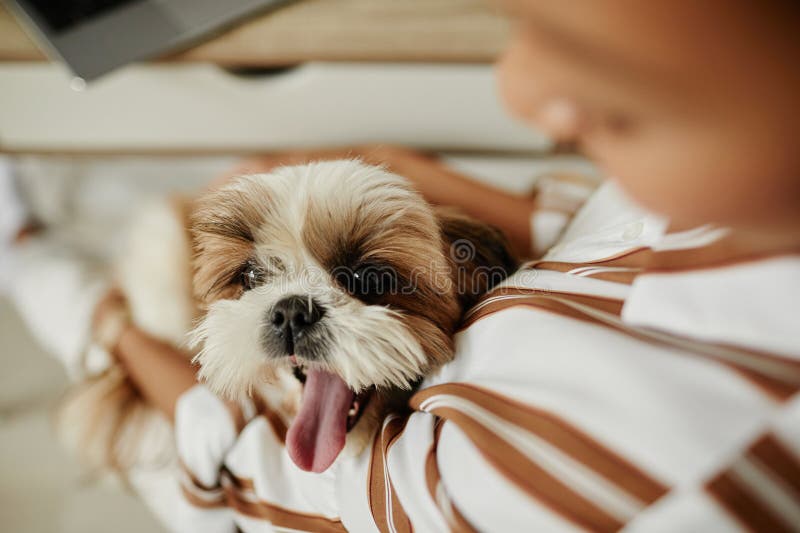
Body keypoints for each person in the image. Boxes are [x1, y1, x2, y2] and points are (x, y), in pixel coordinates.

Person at [3, 0, 799, 531]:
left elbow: (236, 457)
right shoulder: (729, 198)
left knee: (117, 373)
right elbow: (592, 219)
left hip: (255, 480)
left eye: (371, 283)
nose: (517, 88)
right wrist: (380, 163)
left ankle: (24, 249)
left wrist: (109, 326)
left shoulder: (562, 486)